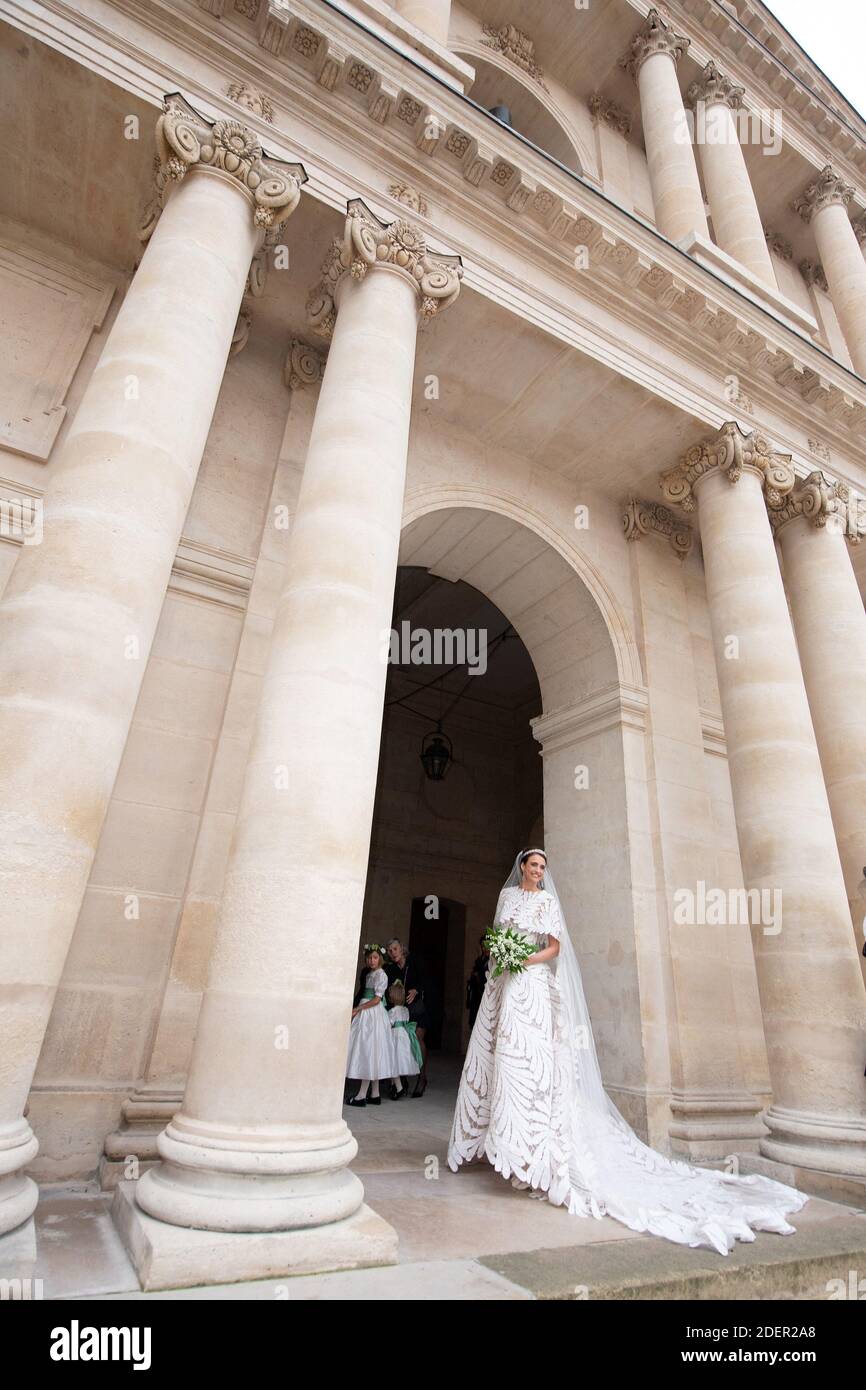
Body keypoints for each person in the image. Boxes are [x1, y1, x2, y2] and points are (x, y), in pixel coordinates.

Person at [446, 847, 810, 1257]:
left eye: (543, 867)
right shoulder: (508, 898)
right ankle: (503, 1146)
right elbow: (496, 936)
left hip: (532, 985)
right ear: (522, 868)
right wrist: (503, 955)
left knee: (532, 1066)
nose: (538, 870)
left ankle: (533, 1157)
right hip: (506, 985)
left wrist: (525, 958)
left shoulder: (548, 902)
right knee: (503, 1062)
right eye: (534, 865)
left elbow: (554, 947)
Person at [345, 946, 394, 1108]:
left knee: (369, 1050)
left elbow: (377, 999)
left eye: (374, 957)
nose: (371, 961)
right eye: (369, 958)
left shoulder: (382, 975)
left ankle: (361, 1095)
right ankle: (375, 1093)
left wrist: (358, 1009)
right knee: (369, 1049)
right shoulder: (369, 974)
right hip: (365, 1009)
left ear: (380, 958)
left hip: (372, 1013)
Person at [385, 938, 430, 1097]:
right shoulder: (390, 969)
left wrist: (416, 990)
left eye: (395, 949)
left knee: (417, 1038)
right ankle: (400, 1080)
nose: (393, 952)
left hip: (417, 1007)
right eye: (390, 951)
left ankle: (422, 1077)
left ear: (402, 949)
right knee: (401, 1041)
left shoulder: (414, 962)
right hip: (400, 1010)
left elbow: (426, 979)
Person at [386, 980, 422, 1098]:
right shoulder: (406, 1010)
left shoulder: (391, 1011)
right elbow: (406, 1021)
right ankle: (395, 1088)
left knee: (392, 1061)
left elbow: (389, 1023)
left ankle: (398, 1088)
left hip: (395, 1035)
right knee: (398, 1060)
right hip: (404, 1035)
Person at [465, 935, 489, 1032]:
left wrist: (479, 975)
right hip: (477, 996)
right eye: (482, 946)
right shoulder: (480, 960)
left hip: (485, 997)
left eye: (486, 946)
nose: (485, 949)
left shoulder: (492, 960)